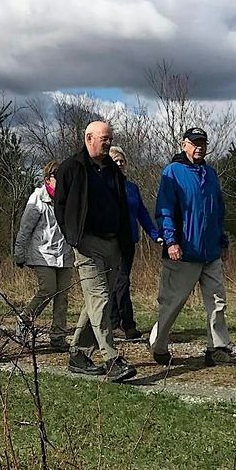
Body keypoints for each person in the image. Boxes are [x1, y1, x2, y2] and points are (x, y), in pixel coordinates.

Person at [53, 120, 137, 382]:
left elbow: (123, 206)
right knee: (99, 297)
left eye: (110, 138)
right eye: (104, 138)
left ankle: (78, 354)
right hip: (86, 243)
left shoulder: (113, 170)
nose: (108, 143)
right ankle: (111, 358)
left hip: (113, 242)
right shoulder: (71, 168)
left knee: (99, 300)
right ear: (89, 138)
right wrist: (72, 236)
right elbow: (60, 205)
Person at [148, 127, 236, 366]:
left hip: (210, 251)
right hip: (183, 252)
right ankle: (158, 345)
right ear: (184, 144)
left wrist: (222, 240)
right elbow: (165, 209)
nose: (199, 147)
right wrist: (171, 241)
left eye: (203, 143)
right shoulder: (173, 172)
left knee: (217, 301)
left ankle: (217, 348)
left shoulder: (210, 174)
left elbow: (217, 209)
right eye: (194, 143)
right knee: (173, 302)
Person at [14, 161, 72, 352]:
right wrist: (19, 253)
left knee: (62, 296)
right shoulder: (37, 198)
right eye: (58, 176)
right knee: (48, 289)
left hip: (64, 254)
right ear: (48, 178)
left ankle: (58, 336)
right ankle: (24, 319)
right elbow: (25, 228)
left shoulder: (68, 198)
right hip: (42, 253)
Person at [108, 145, 158, 340]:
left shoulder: (132, 188)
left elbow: (142, 214)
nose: (119, 163)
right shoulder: (104, 187)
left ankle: (123, 323)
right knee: (119, 282)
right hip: (111, 241)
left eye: (122, 160)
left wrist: (155, 234)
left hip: (129, 241)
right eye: (115, 160)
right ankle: (120, 323)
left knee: (122, 282)